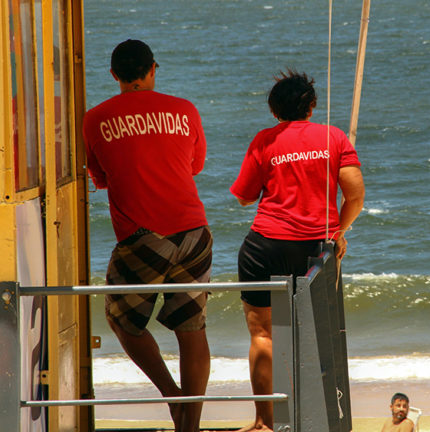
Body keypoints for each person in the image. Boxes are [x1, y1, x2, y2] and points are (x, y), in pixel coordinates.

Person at [82, 39, 212, 432]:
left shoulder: (95, 119)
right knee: (192, 328)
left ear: (114, 74)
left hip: (143, 233)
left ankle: (173, 399)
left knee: (121, 318)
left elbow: (100, 178)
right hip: (195, 229)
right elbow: (195, 165)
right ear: (153, 68)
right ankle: (190, 423)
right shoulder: (185, 110)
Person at [230, 70, 365, 431]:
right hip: (313, 248)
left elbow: (244, 197)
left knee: (263, 335)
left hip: (265, 244)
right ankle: (317, 418)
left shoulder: (265, 140)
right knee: (316, 334)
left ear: (274, 111)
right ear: (312, 106)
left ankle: (264, 422)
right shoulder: (333, 137)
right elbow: (355, 195)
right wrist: (338, 230)